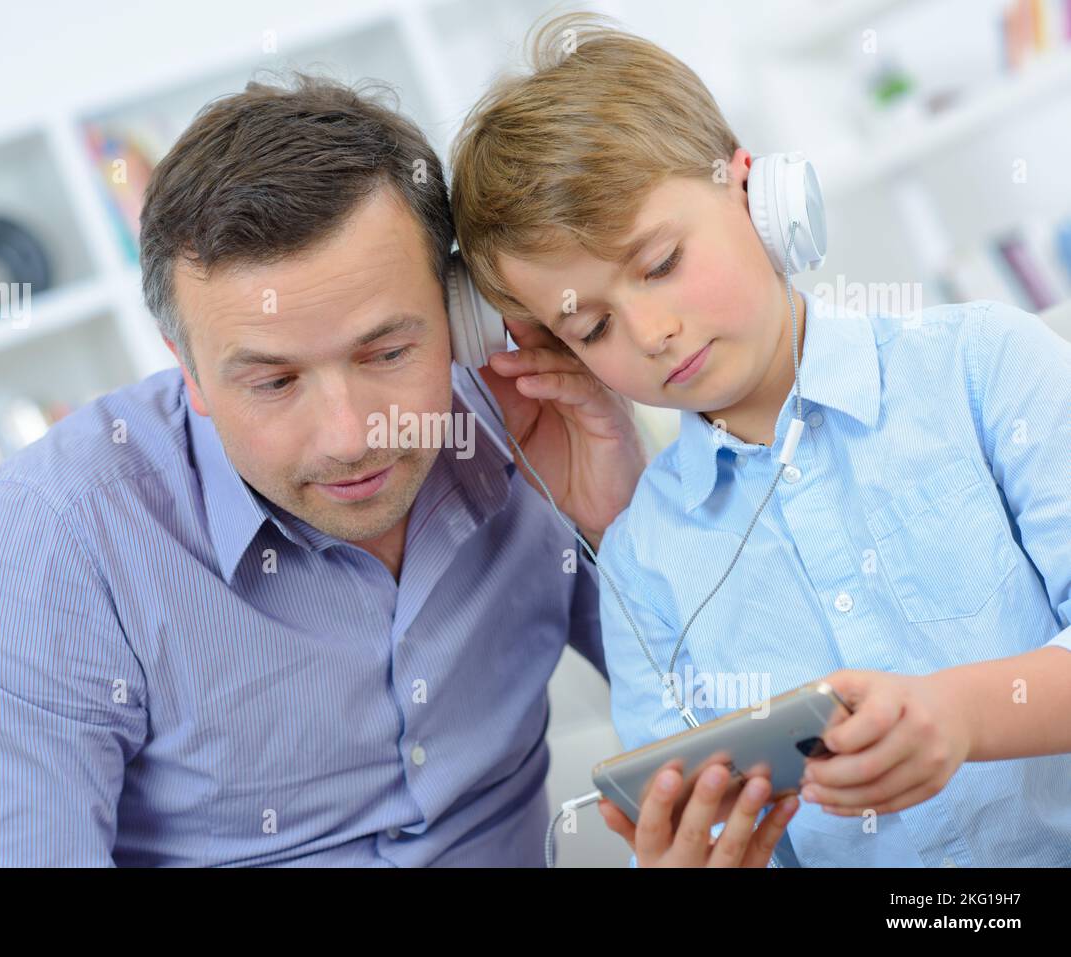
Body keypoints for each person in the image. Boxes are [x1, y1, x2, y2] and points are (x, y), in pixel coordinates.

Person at [0, 72, 662, 866]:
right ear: (190, 372)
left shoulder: (536, 422)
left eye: (387, 351)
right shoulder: (45, 547)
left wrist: (615, 526)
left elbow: (724, 717)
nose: (349, 436)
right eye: (274, 382)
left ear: (461, 314)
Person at [450, 13, 1071, 866]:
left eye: (661, 262)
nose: (653, 330)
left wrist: (963, 713)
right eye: (592, 326)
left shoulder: (984, 368)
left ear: (755, 192)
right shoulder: (645, 562)